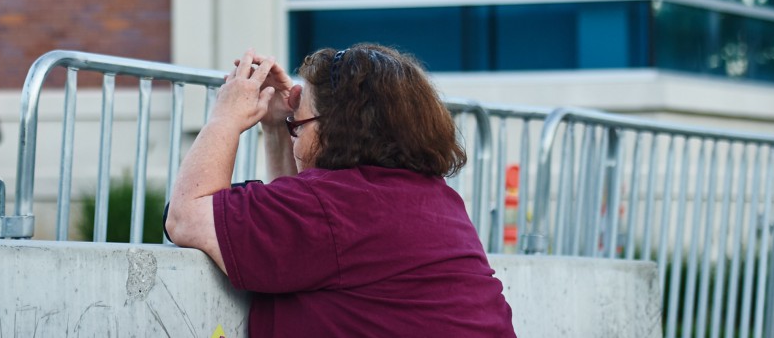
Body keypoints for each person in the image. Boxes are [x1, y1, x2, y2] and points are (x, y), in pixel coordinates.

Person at [165, 44, 516, 337]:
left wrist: (225, 117)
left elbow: (185, 216)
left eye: (298, 125)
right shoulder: (437, 200)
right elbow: (298, 229)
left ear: (338, 128)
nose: (295, 134)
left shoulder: (334, 206)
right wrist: (275, 129)